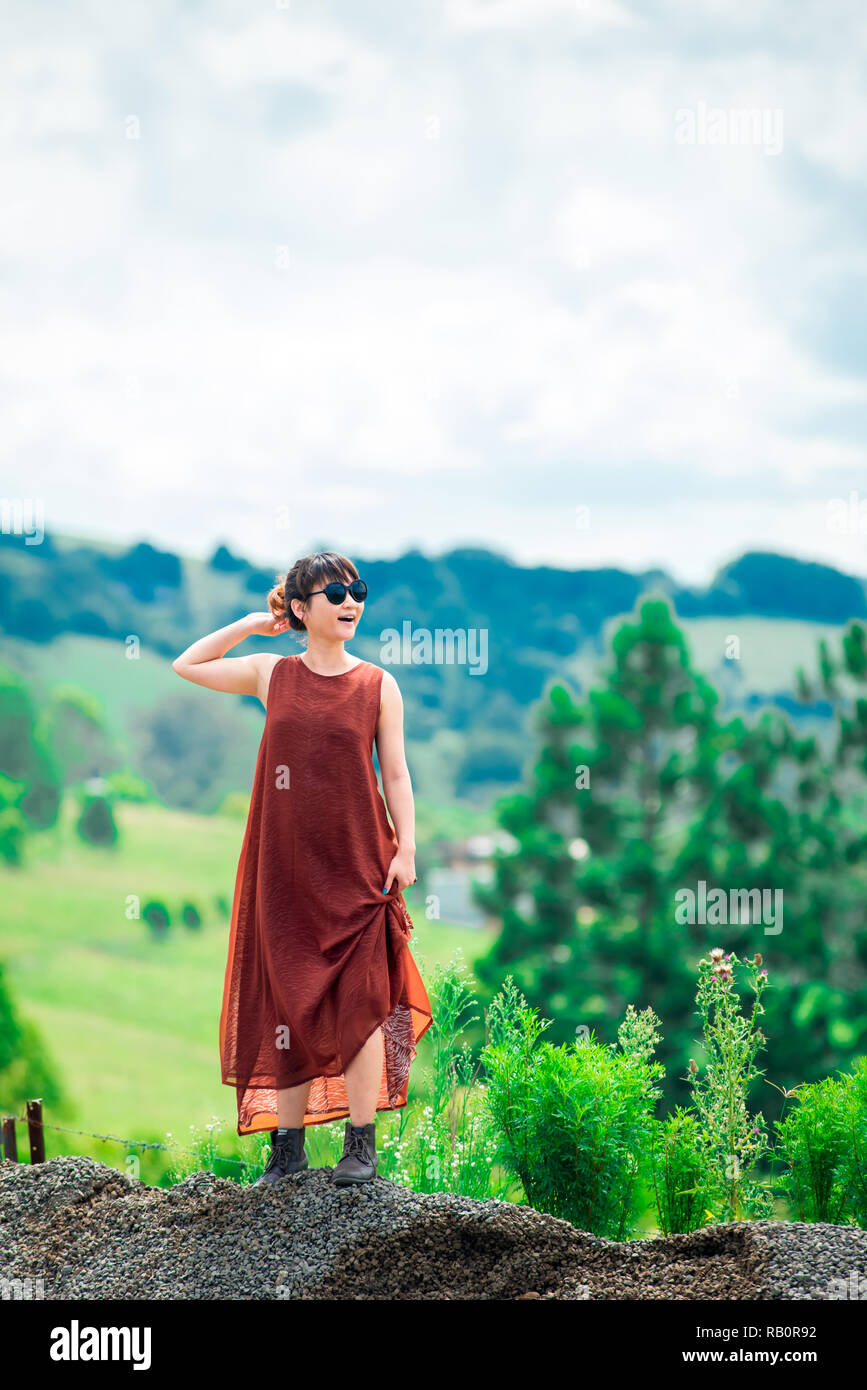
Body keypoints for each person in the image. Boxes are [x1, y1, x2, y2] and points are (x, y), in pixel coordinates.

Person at [172, 550, 433, 1188]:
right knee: (286, 1004)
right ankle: (287, 1152)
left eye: (358, 590)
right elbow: (188, 664)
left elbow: (395, 773)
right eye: (336, 592)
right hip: (284, 875)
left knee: (364, 1003)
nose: (351, 602)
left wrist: (407, 848)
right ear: (301, 609)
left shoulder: (378, 685)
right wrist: (248, 624)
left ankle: (360, 1148)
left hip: (359, 867)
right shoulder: (271, 674)